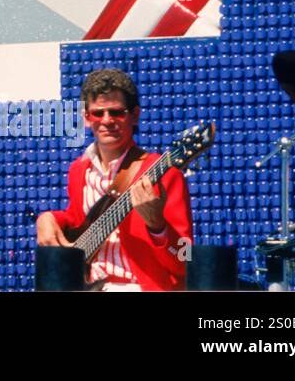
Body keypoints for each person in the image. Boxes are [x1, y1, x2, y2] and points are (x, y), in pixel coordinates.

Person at [36, 69, 192, 291]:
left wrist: (158, 228)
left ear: (135, 115)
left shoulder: (165, 173)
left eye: (117, 112)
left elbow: (185, 258)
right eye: (98, 113)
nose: (107, 120)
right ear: (86, 118)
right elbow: (78, 220)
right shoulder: (79, 170)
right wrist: (48, 218)